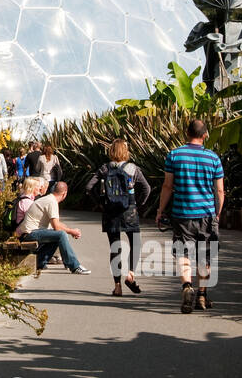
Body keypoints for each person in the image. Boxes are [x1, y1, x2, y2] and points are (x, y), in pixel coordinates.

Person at [154, 120, 224, 313]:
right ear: (205, 135)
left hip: (182, 214)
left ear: (186, 133)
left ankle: (187, 286)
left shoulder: (174, 155)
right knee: (205, 256)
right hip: (206, 215)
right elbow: (220, 190)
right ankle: (201, 295)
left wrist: (160, 210)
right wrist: (217, 213)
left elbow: (167, 186)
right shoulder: (213, 158)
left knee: (183, 254)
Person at [85, 139, 150, 296]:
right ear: (126, 151)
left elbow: (88, 187)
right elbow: (146, 188)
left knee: (115, 248)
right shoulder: (133, 169)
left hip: (110, 212)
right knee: (135, 243)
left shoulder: (105, 168)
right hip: (130, 211)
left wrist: (100, 204)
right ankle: (131, 275)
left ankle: (117, 286)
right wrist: (137, 204)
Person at [17, 179, 90, 275]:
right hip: (29, 233)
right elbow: (57, 227)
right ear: (65, 193)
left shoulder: (49, 199)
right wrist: (71, 232)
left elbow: (57, 223)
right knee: (61, 235)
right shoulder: (52, 202)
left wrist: (71, 230)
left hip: (29, 232)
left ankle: (39, 263)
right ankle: (74, 266)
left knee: (57, 236)